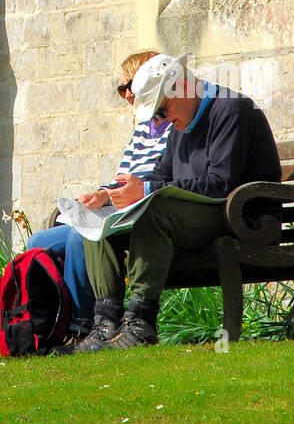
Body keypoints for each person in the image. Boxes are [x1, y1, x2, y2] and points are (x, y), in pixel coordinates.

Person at [76, 52, 282, 353]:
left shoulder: (232, 110)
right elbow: (163, 173)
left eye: (161, 111)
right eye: (157, 115)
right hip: (196, 218)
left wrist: (146, 189)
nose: (161, 120)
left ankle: (140, 324)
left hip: (236, 218)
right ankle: (106, 325)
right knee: (96, 219)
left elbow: (220, 186)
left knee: (154, 209)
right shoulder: (181, 123)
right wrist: (110, 197)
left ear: (182, 87)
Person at [25, 49, 171, 350]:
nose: (127, 95)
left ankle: (84, 327)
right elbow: (121, 180)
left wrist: (116, 196)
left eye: (129, 87)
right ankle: (52, 327)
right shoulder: (143, 128)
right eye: (121, 89)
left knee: (84, 235)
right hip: (117, 207)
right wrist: (100, 195)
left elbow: (159, 180)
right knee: (37, 244)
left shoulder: (174, 125)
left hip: (141, 215)